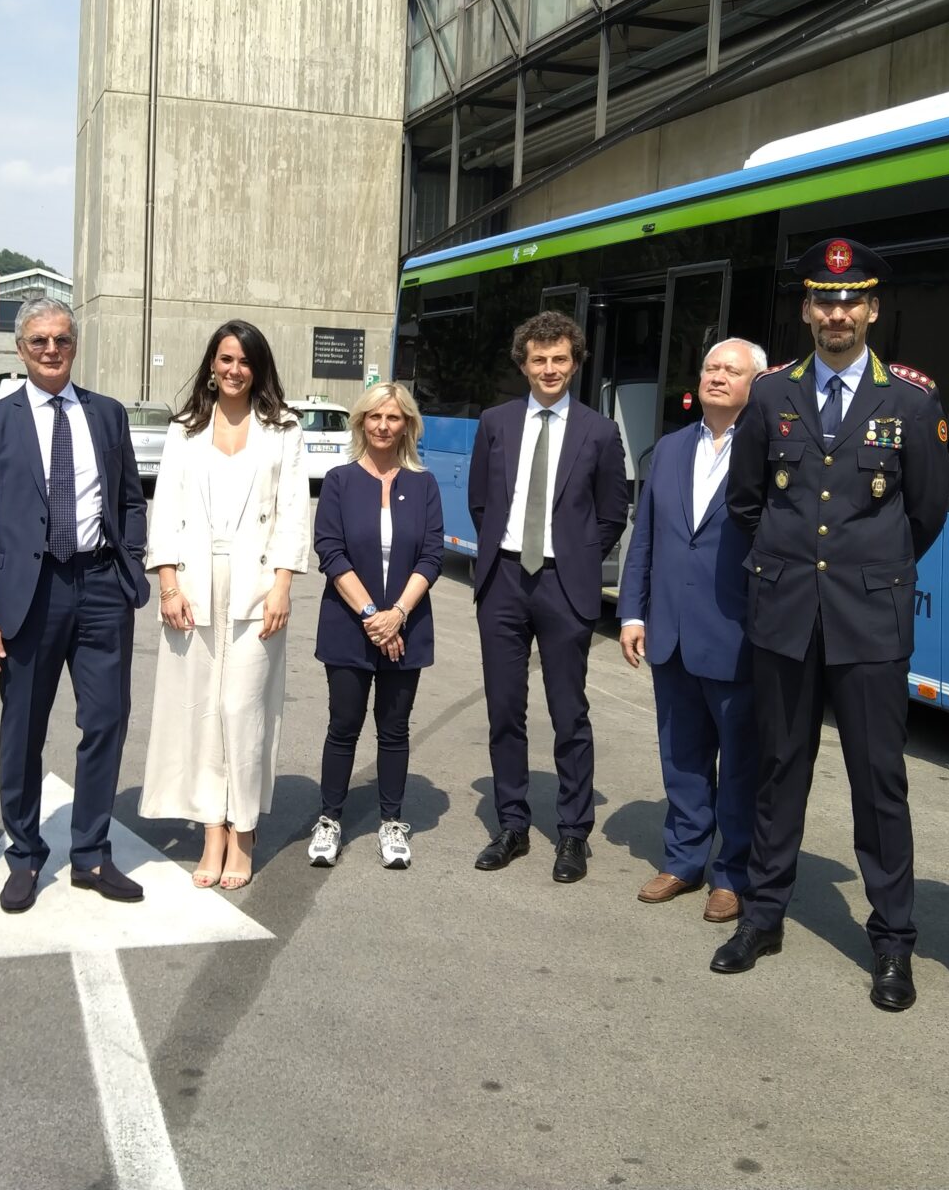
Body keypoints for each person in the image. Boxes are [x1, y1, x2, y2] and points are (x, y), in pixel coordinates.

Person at [713, 237, 949, 1012]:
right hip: (784, 616)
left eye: (851, 300)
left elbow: (925, 514)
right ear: (807, 310)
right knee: (779, 770)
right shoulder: (772, 394)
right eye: (823, 300)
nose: (836, 313)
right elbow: (747, 502)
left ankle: (892, 943)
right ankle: (764, 914)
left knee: (878, 783)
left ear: (873, 309)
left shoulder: (910, 401)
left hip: (868, 623)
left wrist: (860, 568)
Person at [0, 297, 150, 914]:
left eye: (61, 340)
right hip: (27, 597)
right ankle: (24, 855)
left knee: (107, 719)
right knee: (24, 730)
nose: (50, 350)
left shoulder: (107, 415)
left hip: (99, 588)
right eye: (38, 340)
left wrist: (131, 564)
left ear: (75, 345)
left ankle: (91, 851)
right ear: (21, 348)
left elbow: (129, 501)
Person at [139, 320, 309, 891]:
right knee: (199, 712)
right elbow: (163, 509)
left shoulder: (283, 430)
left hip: (257, 585)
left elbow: (292, 511)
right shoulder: (185, 429)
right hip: (191, 581)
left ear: (258, 368)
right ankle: (211, 828)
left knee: (242, 709)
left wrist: (283, 584)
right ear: (211, 363)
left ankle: (244, 830)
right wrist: (167, 584)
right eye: (225, 358)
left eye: (244, 360)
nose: (234, 369)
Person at [469, 310, 628, 883]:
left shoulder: (600, 432)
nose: (550, 368)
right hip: (504, 581)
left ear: (576, 362)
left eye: (560, 358)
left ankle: (572, 834)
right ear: (524, 364)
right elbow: (482, 504)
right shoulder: (495, 422)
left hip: (565, 585)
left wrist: (579, 555)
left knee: (569, 714)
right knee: (505, 711)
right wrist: (504, 557)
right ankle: (512, 823)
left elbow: (612, 512)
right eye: (539, 359)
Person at [619, 338, 764, 923]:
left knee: (742, 764)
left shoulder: (770, 451)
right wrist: (632, 612)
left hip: (738, 634)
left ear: (756, 384)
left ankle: (731, 874)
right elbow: (645, 538)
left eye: (733, 369)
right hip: (670, 632)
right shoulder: (673, 449)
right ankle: (683, 861)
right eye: (710, 366)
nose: (718, 377)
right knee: (681, 756)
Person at [306, 382, 445, 870]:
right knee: (343, 727)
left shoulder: (423, 484)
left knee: (394, 729)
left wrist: (397, 615)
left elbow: (431, 556)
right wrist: (370, 615)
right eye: (374, 417)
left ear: (407, 425)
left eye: (394, 418)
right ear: (361, 422)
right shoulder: (341, 480)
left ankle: (391, 823)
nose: (383, 426)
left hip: (405, 626)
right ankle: (329, 820)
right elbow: (330, 550)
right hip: (350, 625)